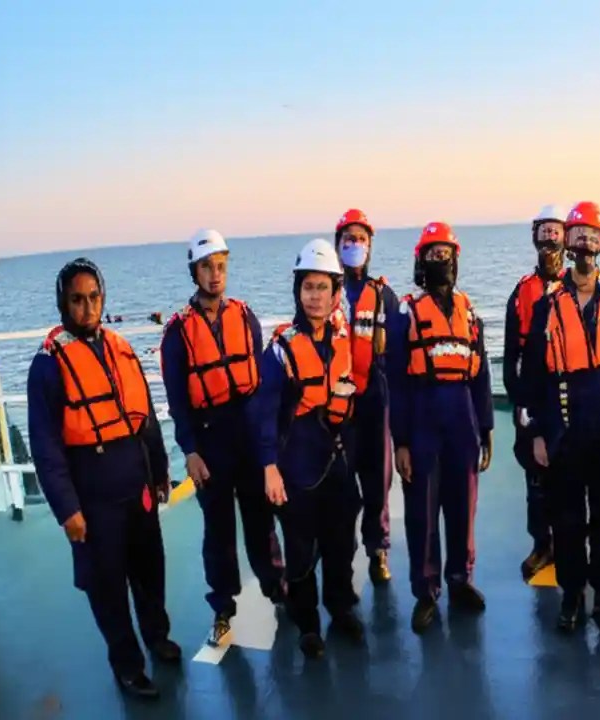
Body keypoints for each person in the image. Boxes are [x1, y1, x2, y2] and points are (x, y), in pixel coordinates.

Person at [28, 258, 181, 699]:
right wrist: (67, 509)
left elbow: (145, 418)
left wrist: (160, 472)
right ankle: (127, 666)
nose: (88, 307)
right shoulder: (48, 366)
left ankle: (157, 636)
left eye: (94, 297)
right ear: (63, 303)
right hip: (93, 496)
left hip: (136, 483)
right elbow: (45, 447)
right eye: (77, 299)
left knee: (150, 570)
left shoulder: (121, 348)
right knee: (107, 586)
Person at [160, 229, 285, 648]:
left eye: (221, 266)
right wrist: (190, 451)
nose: (215, 274)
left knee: (261, 521)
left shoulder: (246, 317)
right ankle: (222, 609)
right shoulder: (178, 332)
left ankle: (276, 587)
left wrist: (267, 442)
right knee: (218, 531)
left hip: (247, 434)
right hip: (209, 439)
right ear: (194, 272)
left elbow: (260, 384)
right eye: (206, 267)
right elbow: (178, 400)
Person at [523, 200, 600, 632]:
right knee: (567, 518)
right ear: (567, 244)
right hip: (563, 427)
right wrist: (537, 432)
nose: (585, 245)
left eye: (592, 237)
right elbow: (533, 376)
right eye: (578, 237)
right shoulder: (547, 307)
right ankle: (572, 594)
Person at [247, 238, 365, 659]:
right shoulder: (281, 349)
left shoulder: (345, 339)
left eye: (322, 287)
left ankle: (340, 607)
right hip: (296, 464)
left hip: (336, 460)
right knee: (299, 551)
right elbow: (263, 413)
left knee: (341, 543)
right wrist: (269, 467)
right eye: (308, 287)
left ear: (335, 293)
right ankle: (308, 624)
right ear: (298, 291)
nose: (315, 296)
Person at [387, 222, 493, 634]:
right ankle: (426, 591)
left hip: (463, 418)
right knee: (422, 512)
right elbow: (396, 382)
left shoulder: (470, 313)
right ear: (421, 262)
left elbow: (480, 375)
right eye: (433, 255)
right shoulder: (406, 315)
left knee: (464, 507)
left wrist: (486, 426)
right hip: (423, 417)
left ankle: (460, 579)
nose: (441, 261)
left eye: (446, 254)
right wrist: (401, 442)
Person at [334, 208, 401, 584]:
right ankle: (340, 555)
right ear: (338, 246)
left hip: (376, 399)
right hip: (338, 402)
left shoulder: (384, 295)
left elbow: (399, 352)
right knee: (341, 483)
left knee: (378, 481)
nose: (355, 245)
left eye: (361, 239)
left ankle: (378, 550)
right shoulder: (326, 292)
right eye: (349, 239)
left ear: (370, 246)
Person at [504, 204, 567, 580]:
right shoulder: (521, 293)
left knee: (570, 474)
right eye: (543, 233)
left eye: (555, 233)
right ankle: (542, 543)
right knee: (536, 476)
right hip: (534, 394)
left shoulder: (577, 287)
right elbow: (511, 353)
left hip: (569, 395)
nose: (549, 241)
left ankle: (570, 541)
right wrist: (520, 402)